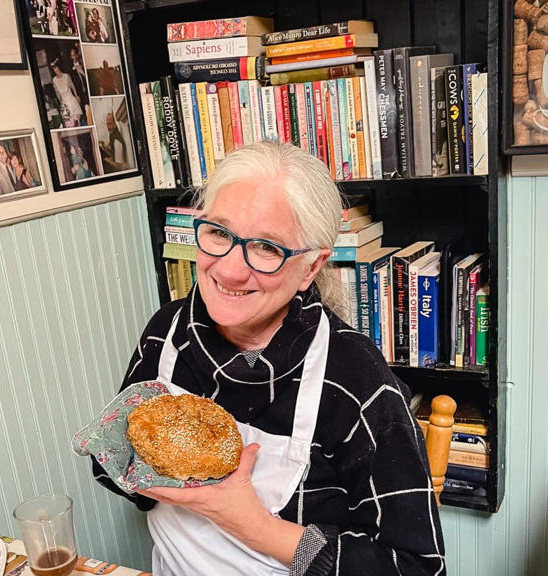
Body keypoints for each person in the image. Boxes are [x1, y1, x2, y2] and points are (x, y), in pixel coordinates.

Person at [92, 142, 445, 575]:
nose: (229, 270)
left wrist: (254, 526)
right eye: (219, 233)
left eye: (266, 248)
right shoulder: (166, 333)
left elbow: (417, 567)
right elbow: (112, 468)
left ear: (310, 267)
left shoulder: (356, 384)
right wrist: (144, 464)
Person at [51, 60, 84, 127]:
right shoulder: (54, 80)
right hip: (64, 102)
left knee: (76, 121)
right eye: (54, 68)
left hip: (71, 99)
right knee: (68, 122)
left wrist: (76, 95)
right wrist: (61, 103)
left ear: (59, 67)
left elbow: (72, 86)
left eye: (56, 68)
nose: (56, 70)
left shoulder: (66, 76)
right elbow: (57, 92)